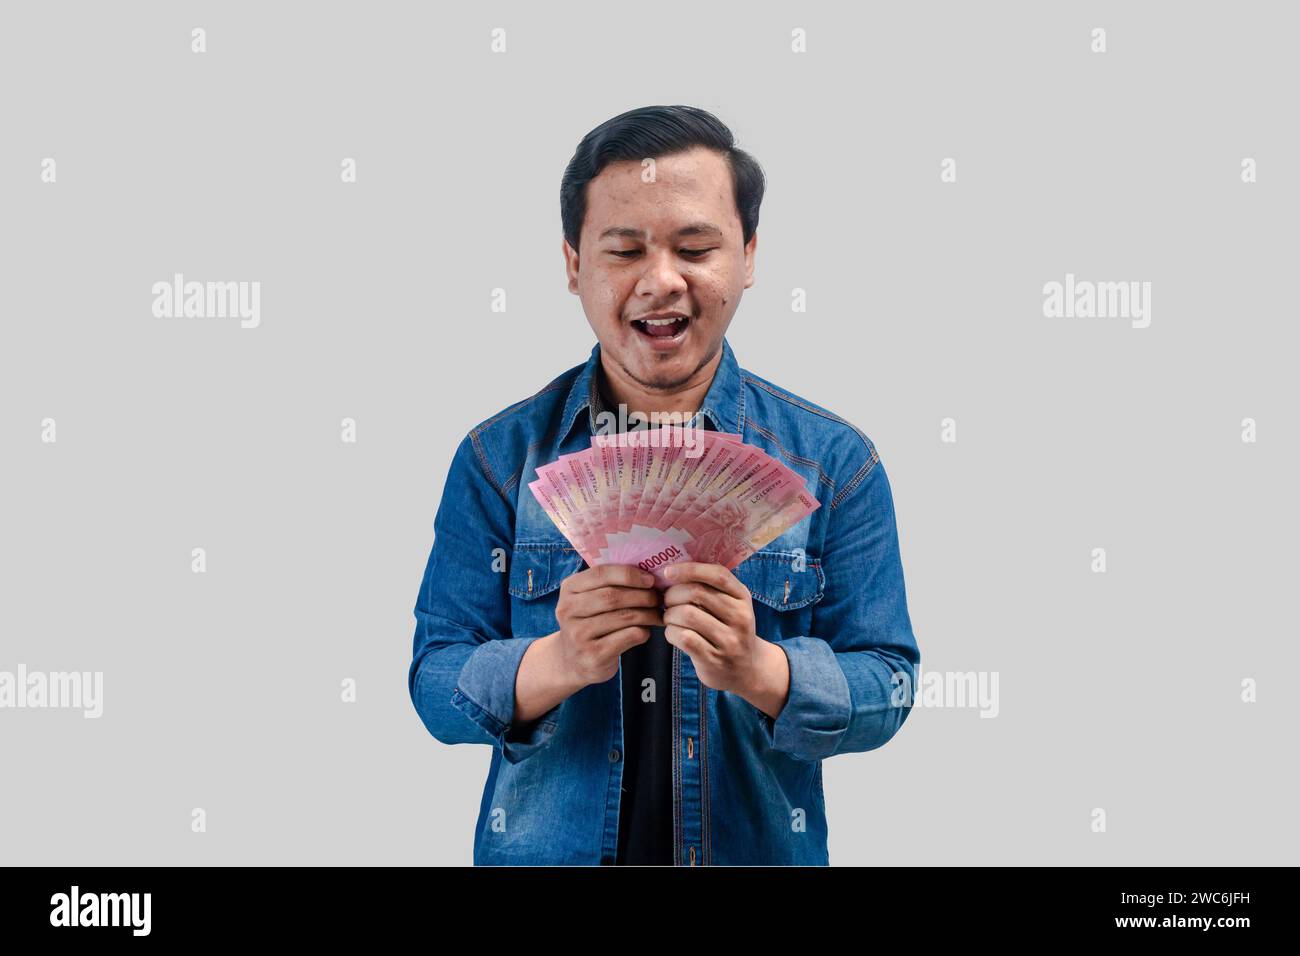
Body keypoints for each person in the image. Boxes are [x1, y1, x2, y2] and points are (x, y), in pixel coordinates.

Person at [408, 105, 920, 865]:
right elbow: (432, 680)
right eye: (623, 250)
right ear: (573, 263)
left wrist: (764, 671)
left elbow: (891, 684)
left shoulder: (837, 462)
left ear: (747, 256)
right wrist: (555, 662)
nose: (661, 280)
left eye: (694, 247)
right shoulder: (496, 458)